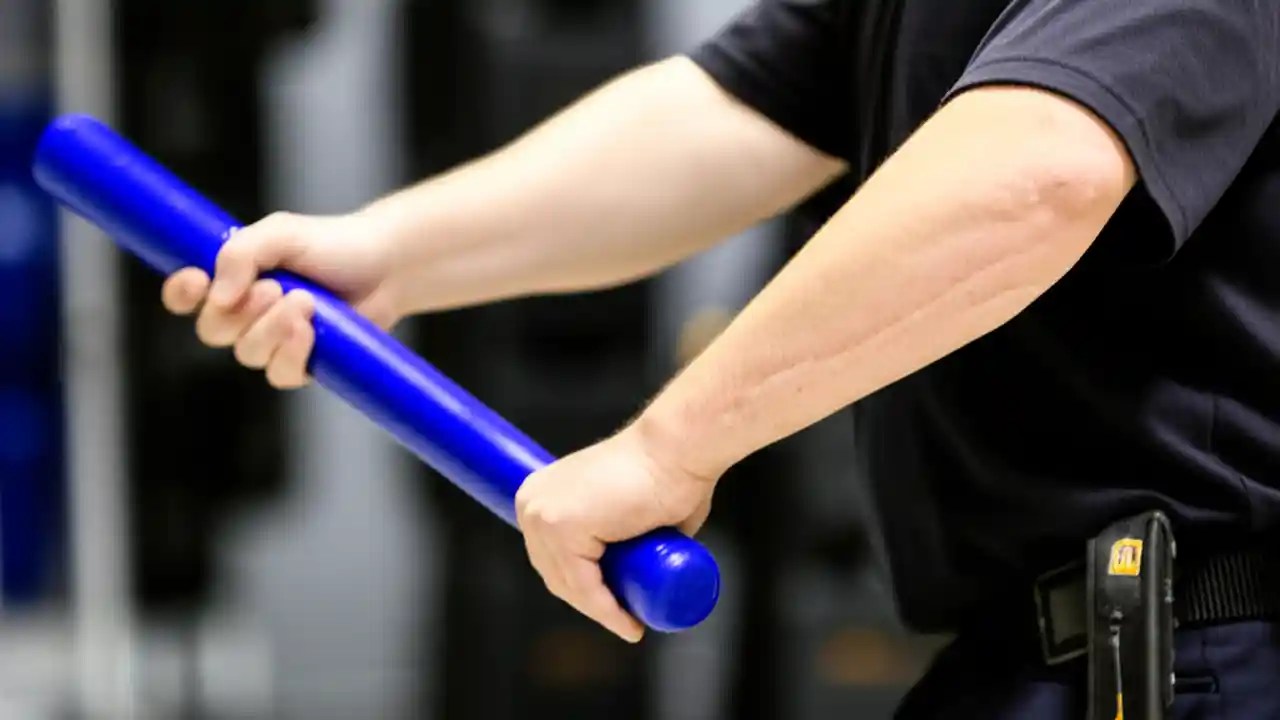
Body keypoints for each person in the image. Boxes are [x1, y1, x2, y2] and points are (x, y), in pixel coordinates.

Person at [161, 0, 1280, 717]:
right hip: (1043, 654)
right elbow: (735, 109)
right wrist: (389, 254)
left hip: (1192, 648)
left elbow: (1037, 172)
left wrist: (669, 445)